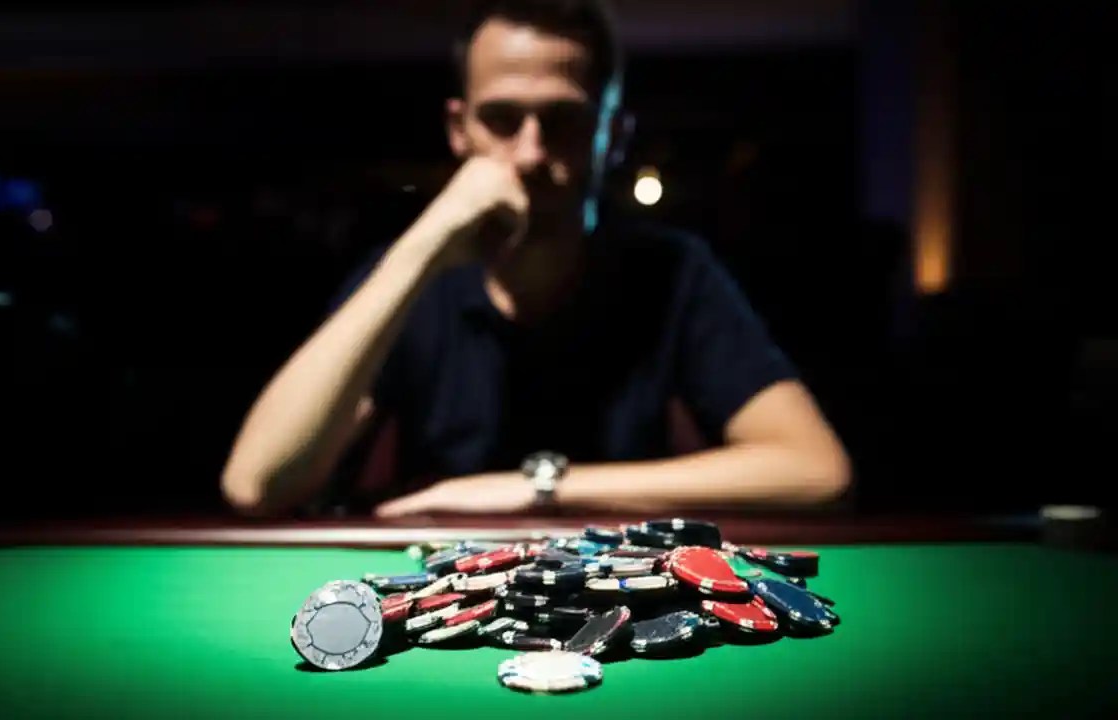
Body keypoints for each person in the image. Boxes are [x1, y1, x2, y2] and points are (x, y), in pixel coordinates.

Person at [221, 0, 851, 518]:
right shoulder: (410, 273)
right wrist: (420, 245)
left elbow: (815, 470)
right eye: (501, 119)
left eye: (564, 120)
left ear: (614, 135)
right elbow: (257, 484)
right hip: (439, 594)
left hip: (617, 596)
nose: (529, 152)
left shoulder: (672, 271)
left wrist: (536, 487)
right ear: (458, 128)